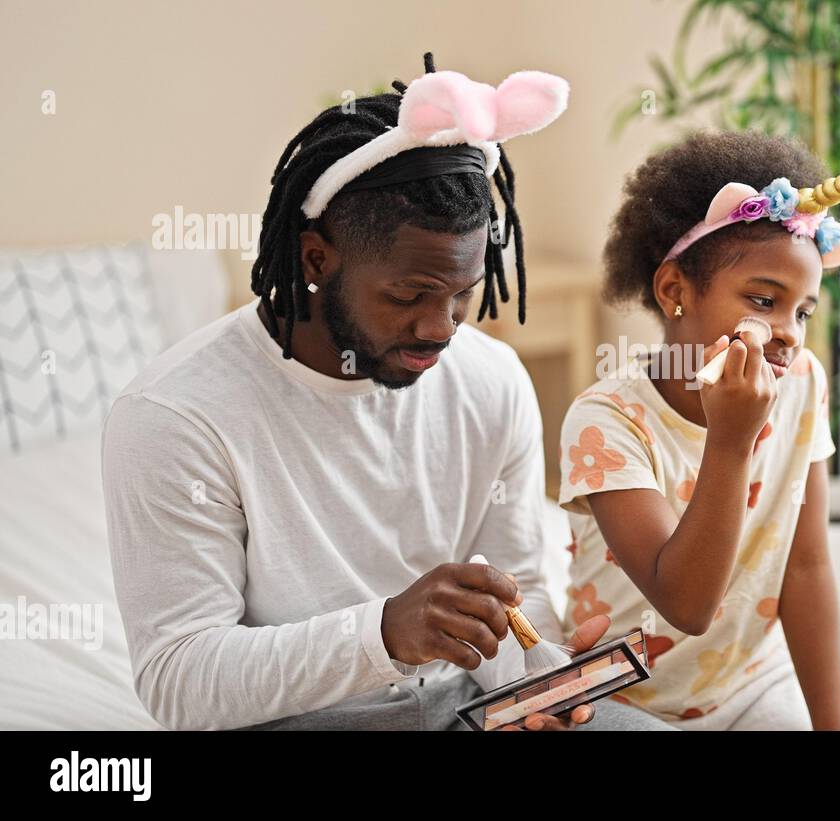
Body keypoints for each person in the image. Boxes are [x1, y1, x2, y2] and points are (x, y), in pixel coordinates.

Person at [101, 52, 672, 732]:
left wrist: (540, 676)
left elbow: (518, 596)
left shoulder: (491, 381)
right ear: (317, 258)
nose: (440, 328)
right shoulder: (176, 415)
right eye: (408, 295)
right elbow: (180, 680)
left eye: (463, 295)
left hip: (471, 709)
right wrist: (385, 634)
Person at [555, 130, 840, 730]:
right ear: (674, 291)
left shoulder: (802, 383)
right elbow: (687, 605)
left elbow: (806, 566)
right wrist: (731, 440)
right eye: (763, 300)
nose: (789, 330)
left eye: (804, 311)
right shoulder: (606, 421)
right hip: (622, 698)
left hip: (752, 677)